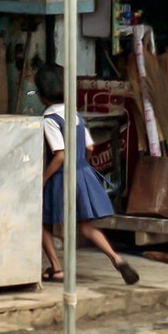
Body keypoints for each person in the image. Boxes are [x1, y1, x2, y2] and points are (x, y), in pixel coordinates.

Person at [38, 64, 139, 286]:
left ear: (41, 94)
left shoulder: (49, 119)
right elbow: (91, 147)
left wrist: (43, 179)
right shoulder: (74, 114)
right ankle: (117, 259)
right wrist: (83, 165)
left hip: (61, 177)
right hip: (82, 173)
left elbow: (60, 155)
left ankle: (56, 268)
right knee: (86, 226)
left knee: (42, 223)